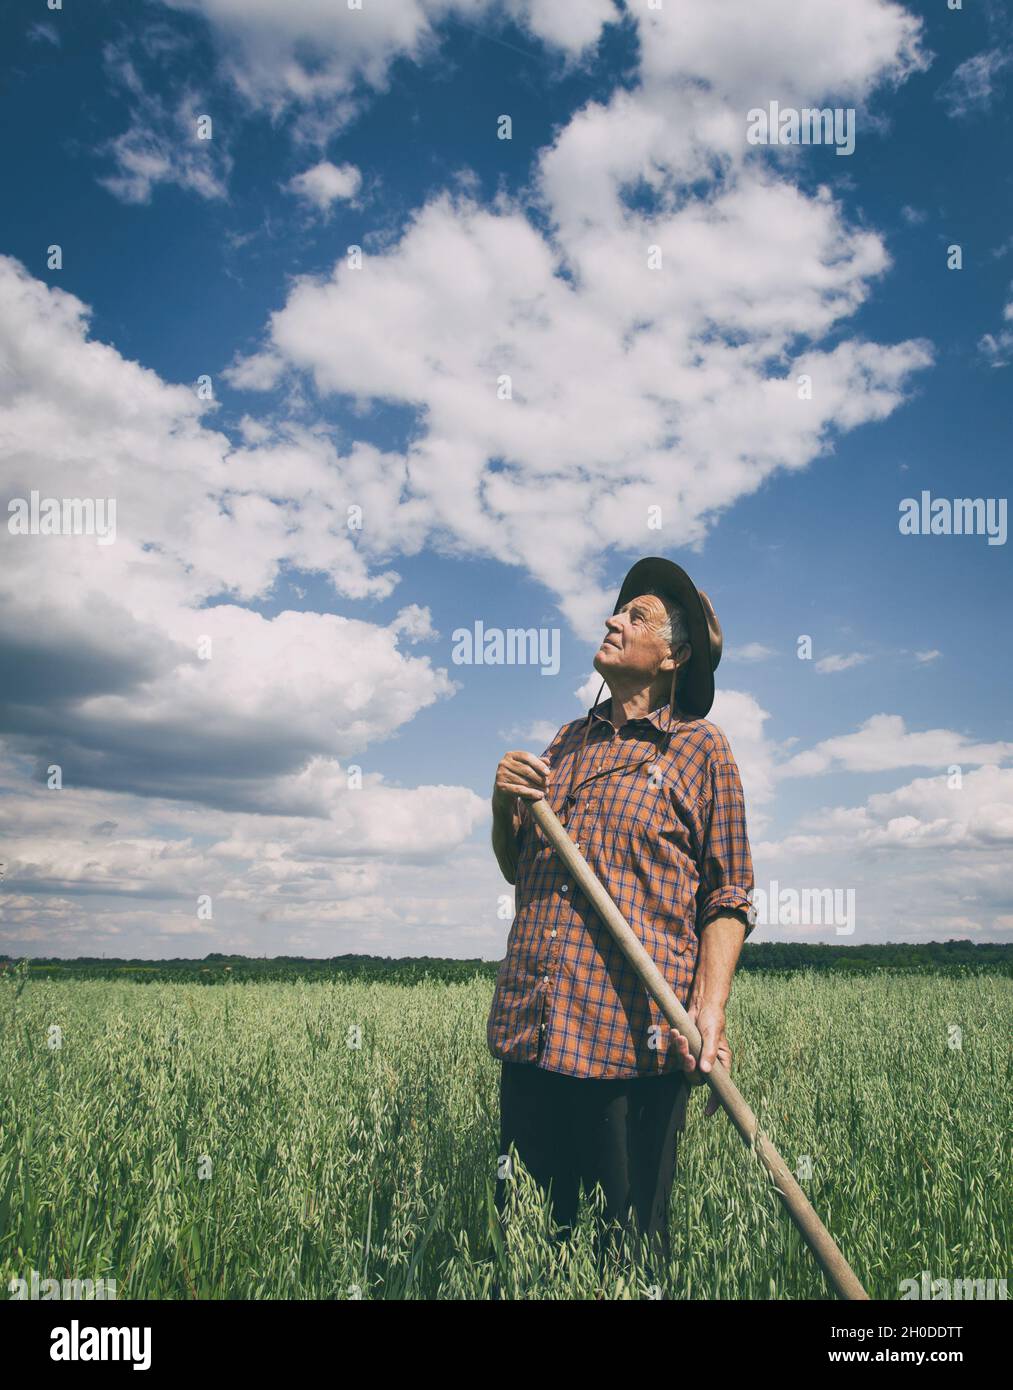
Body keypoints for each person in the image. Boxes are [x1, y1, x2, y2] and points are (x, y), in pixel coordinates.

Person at [487, 556, 755, 1289]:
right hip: (533, 1031)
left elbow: (727, 895)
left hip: (631, 1042)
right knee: (529, 1247)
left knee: (623, 1257)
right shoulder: (566, 742)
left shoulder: (701, 749)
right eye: (618, 611)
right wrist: (499, 801)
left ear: (674, 655)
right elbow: (519, 867)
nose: (611, 619)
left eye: (635, 616)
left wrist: (709, 1008)